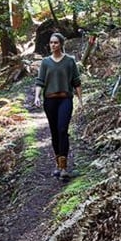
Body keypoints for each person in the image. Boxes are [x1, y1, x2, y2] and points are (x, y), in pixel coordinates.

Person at [34, 32, 83, 179]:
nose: (53, 45)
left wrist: (80, 100)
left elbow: (76, 81)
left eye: (55, 42)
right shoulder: (45, 62)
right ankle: (58, 163)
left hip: (65, 99)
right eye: (51, 42)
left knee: (62, 130)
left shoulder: (70, 61)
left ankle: (63, 167)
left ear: (61, 44)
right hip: (50, 101)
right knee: (54, 132)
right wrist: (37, 97)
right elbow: (40, 81)